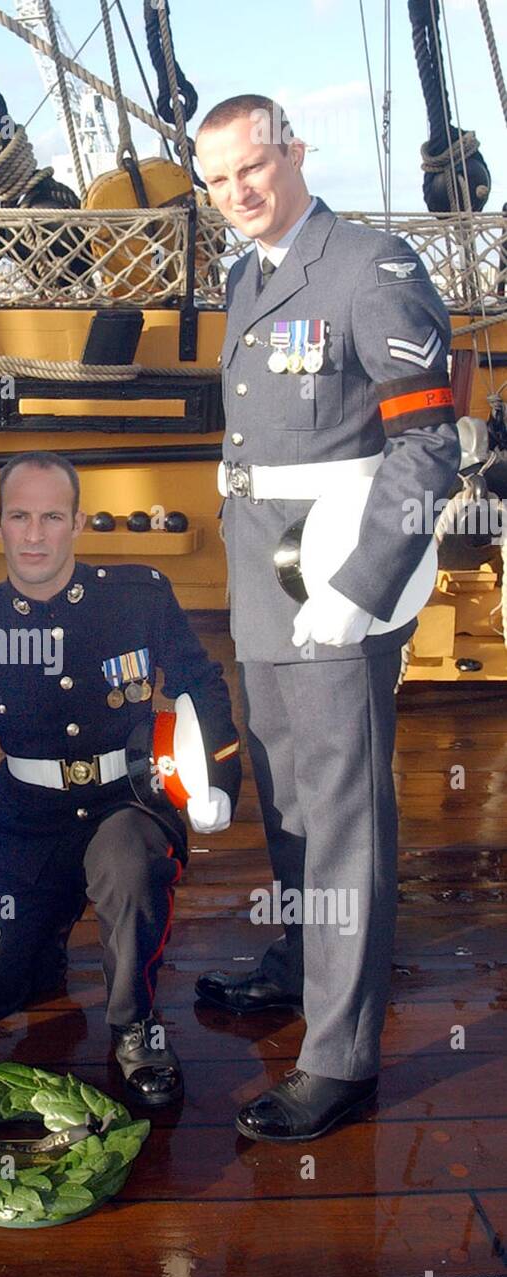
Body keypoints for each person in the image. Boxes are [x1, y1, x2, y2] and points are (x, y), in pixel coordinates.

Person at [193, 95, 460, 1141]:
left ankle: (341, 1054)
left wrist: (360, 581)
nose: (235, 194)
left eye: (250, 169)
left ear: (294, 151)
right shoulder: (244, 274)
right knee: (289, 793)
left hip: (337, 576)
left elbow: (428, 445)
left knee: (344, 814)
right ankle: (303, 955)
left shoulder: (368, 266)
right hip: (264, 575)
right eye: (214, 182)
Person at [0, 451, 242, 1107]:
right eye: (20, 517)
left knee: (129, 868)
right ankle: (40, 943)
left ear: (78, 522)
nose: (35, 535)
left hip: (125, 802)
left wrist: (219, 780)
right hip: (22, 817)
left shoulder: (138, 599)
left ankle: (135, 1023)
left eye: (52, 517)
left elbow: (205, 682)